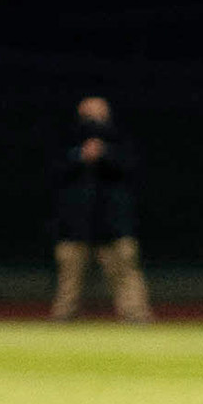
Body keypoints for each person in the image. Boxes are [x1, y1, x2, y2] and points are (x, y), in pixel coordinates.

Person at [51, 96, 153, 323]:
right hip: (75, 225)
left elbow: (133, 169)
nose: (93, 121)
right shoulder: (67, 141)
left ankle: (138, 322)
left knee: (127, 279)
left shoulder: (121, 141)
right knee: (69, 284)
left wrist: (104, 154)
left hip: (115, 224)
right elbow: (54, 172)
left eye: (98, 115)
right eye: (88, 116)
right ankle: (62, 325)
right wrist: (80, 157)